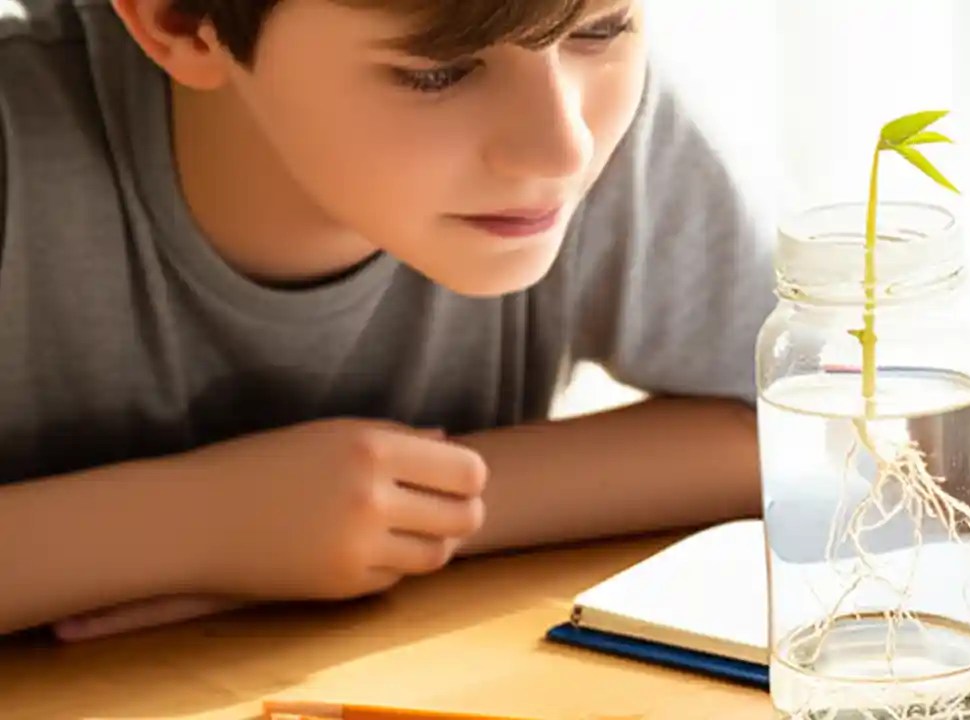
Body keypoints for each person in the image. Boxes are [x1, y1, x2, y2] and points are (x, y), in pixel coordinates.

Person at [0, 0, 776, 640]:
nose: (562, 148)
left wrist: (393, 515)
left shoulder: (580, 94)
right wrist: (195, 528)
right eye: (436, 73)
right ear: (177, 20)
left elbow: (830, 422)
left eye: (604, 30)